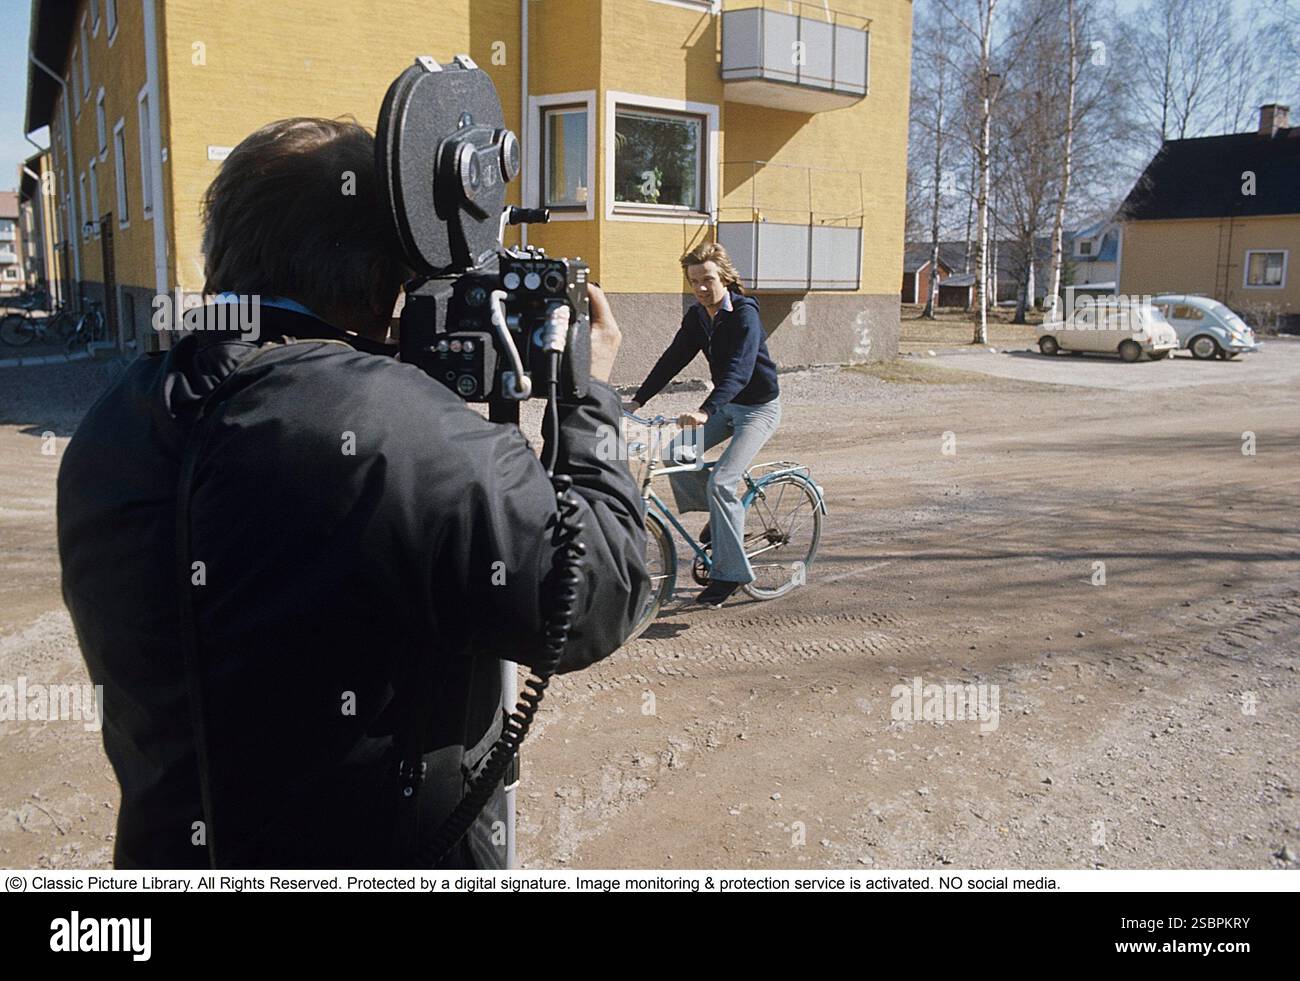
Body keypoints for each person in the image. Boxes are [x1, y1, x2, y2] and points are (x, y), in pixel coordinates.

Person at [56, 117, 649, 869]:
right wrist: (587, 398)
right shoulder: (390, 423)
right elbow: (595, 593)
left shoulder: (112, 419)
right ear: (383, 272)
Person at [624, 242, 781, 608]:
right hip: (726, 406)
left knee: (721, 482)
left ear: (724, 277)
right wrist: (637, 400)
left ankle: (730, 575)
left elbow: (740, 370)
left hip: (757, 408)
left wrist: (707, 410)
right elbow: (673, 358)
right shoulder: (698, 317)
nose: (701, 288)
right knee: (677, 453)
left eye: (707, 279)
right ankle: (722, 519)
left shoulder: (744, 314)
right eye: (694, 281)